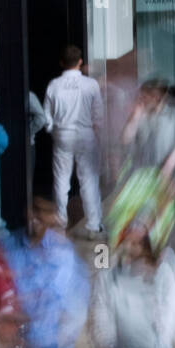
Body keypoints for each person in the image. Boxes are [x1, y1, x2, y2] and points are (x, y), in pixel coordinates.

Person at [6, 195, 90, 348]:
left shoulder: (62, 252)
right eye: (33, 213)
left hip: (52, 345)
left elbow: (74, 299)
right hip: (23, 347)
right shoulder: (14, 247)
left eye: (42, 214)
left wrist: (65, 333)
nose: (36, 220)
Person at [42, 45, 105, 239]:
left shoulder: (54, 85)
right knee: (89, 180)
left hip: (63, 134)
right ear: (80, 62)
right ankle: (94, 226)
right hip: (85, 134)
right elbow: (99, 116)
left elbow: (47, 117)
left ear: (62, 62)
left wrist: (54, 130)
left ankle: (60, 223)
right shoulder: (91, 84)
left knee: (61, 180)